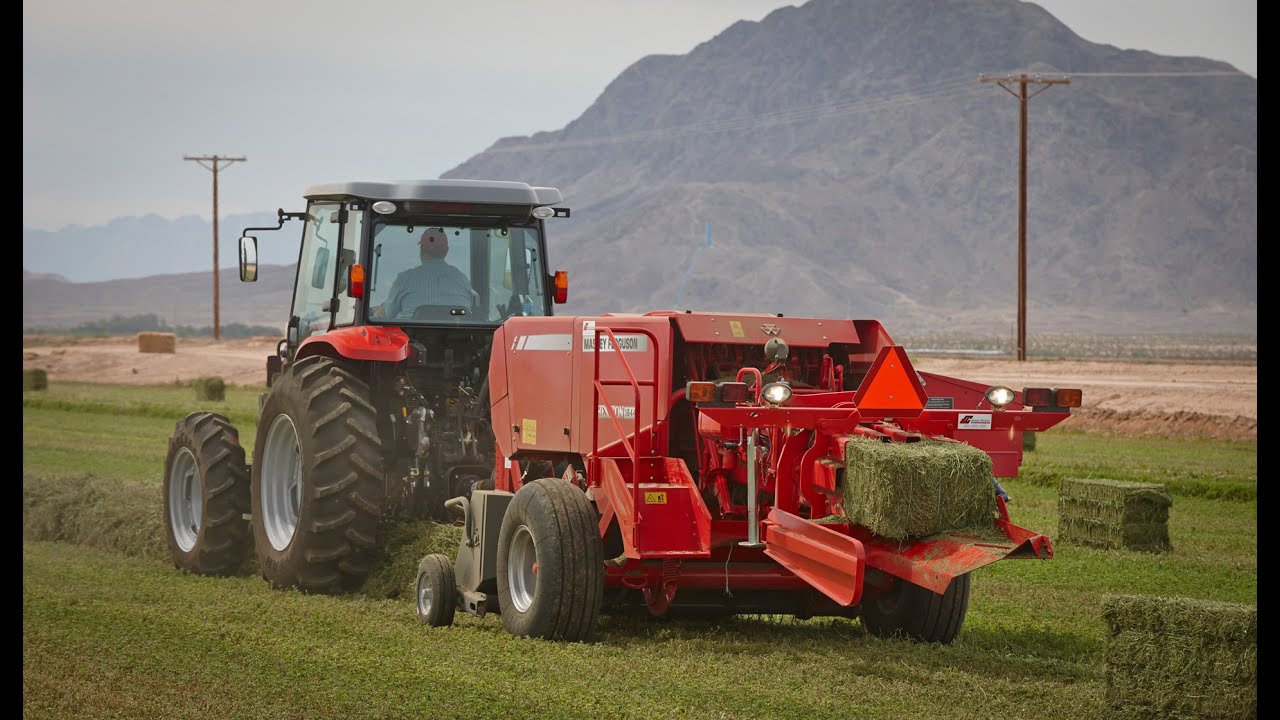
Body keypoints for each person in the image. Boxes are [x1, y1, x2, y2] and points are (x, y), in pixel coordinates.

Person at [374, 228, 477, 320]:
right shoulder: (463, 280)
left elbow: (387, 314)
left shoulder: (405, 279)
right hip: (458, 339)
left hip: (410, 338)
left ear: (421, 250)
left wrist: (376, 312)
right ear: (446, 251)